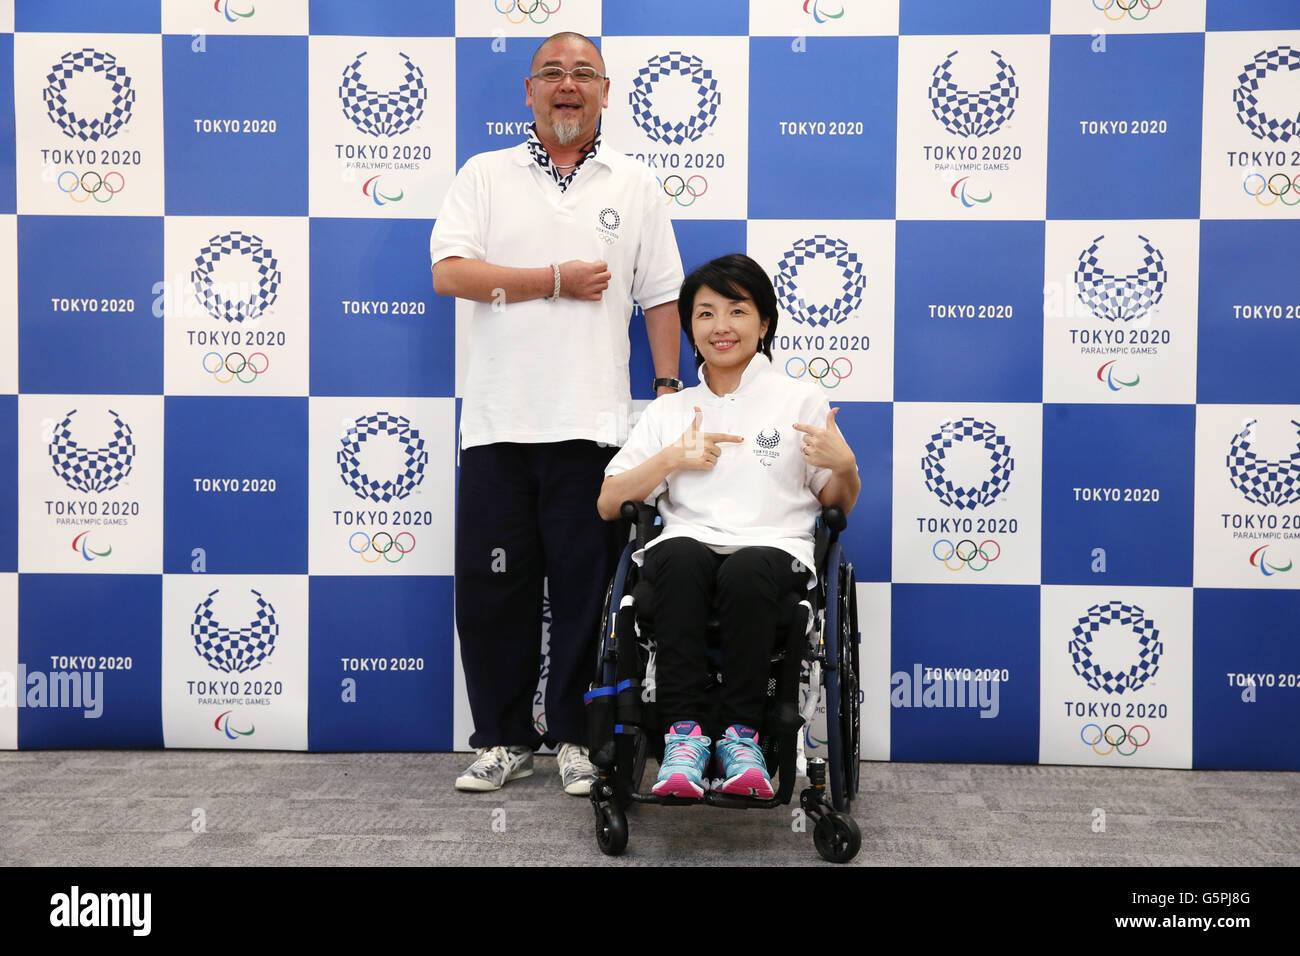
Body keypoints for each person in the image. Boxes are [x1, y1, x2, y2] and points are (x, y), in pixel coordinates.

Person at [430, 32, 685, 795]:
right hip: (500, 425)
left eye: (583, 74)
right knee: (494, 588)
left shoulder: (635, 182)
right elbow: (450, 272)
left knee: (585, 588)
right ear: (529, 92)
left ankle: (576, 736)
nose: (567, 85)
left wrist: (668, 390)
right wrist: (551, 279)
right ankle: (504, 738)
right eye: (551, 73)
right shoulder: (484, 175)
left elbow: (661, 294)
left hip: (592, 427)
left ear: (606, 92)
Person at [597, 254, 860, 799]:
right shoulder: (671, 412)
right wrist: (670, 459)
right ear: (690, 327)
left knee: (746, 567)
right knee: (680, 556)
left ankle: (743, 740)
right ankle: (683, 741)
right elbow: (609, 502)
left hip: (774, 553)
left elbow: (838, 507)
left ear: (764, 323)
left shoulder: (800, 400)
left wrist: (844, 465)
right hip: (685, 557)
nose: (721, 327)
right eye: (705, 313)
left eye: (737, 311)